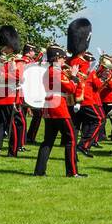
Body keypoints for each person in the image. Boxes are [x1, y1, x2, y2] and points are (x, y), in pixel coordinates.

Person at [33, 45, 84, 177]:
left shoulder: (50, 70)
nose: (64, 61)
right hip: (58, 108)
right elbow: (70, 89)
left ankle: (39, 171)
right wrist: (73, 76)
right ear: (56, 58)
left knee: (48, 141)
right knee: (71, 139)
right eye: (62, 58)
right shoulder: (56, 71)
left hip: (49, 107)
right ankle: (72, 172)